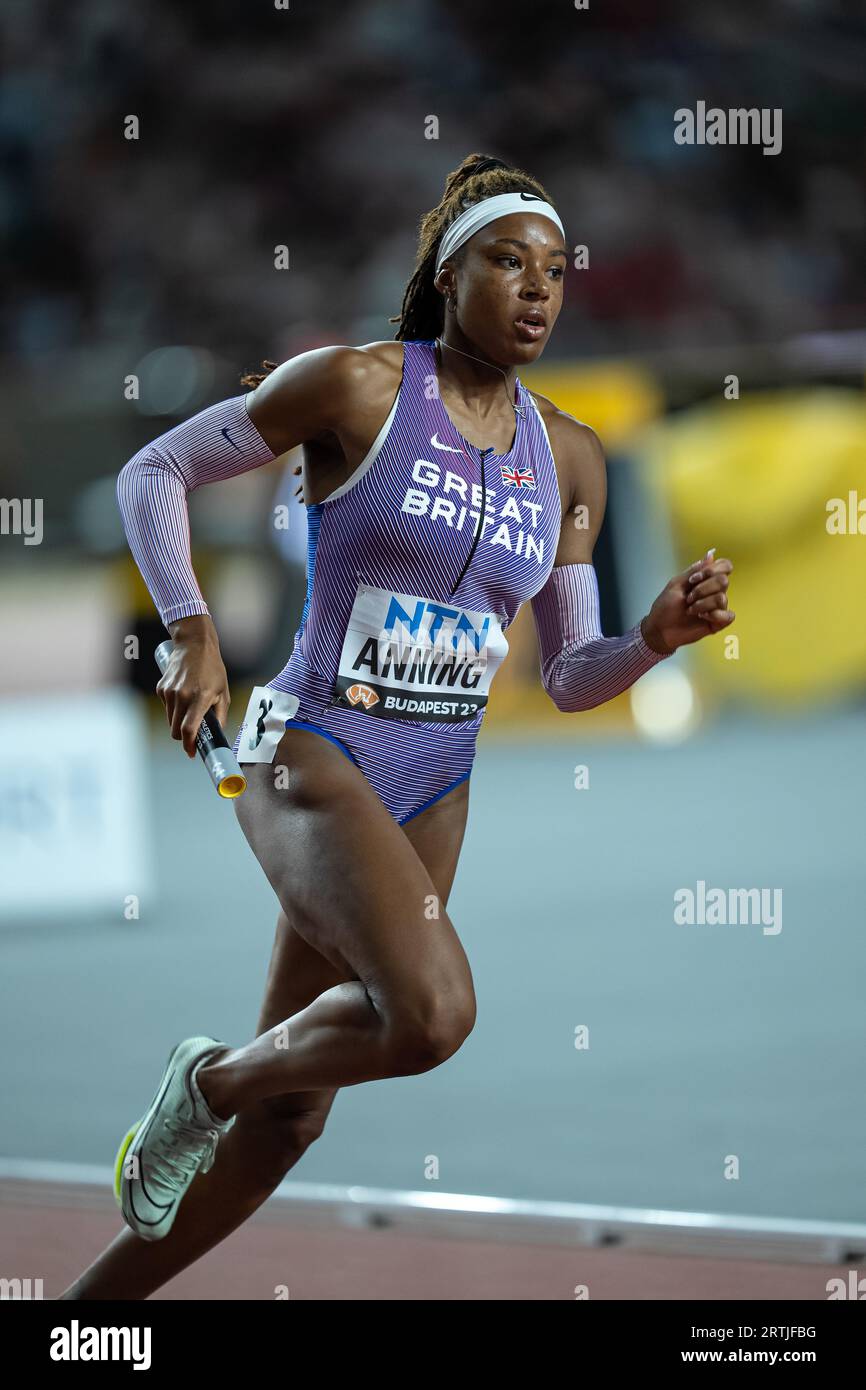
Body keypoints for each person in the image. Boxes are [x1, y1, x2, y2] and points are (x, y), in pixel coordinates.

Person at [60, 152, 734, 1300]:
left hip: (434, 791)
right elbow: (155, 470)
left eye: (555, 272)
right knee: (428, 1016)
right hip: (307, 749)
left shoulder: (568, 457)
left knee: (292, 1120)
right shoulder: (358, 386)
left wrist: (654, 640)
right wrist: (191, 628)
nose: (535, 289)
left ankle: (82, 1317)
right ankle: (204, 1085)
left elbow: (569, 674)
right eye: (506, 262)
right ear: (446, 270)